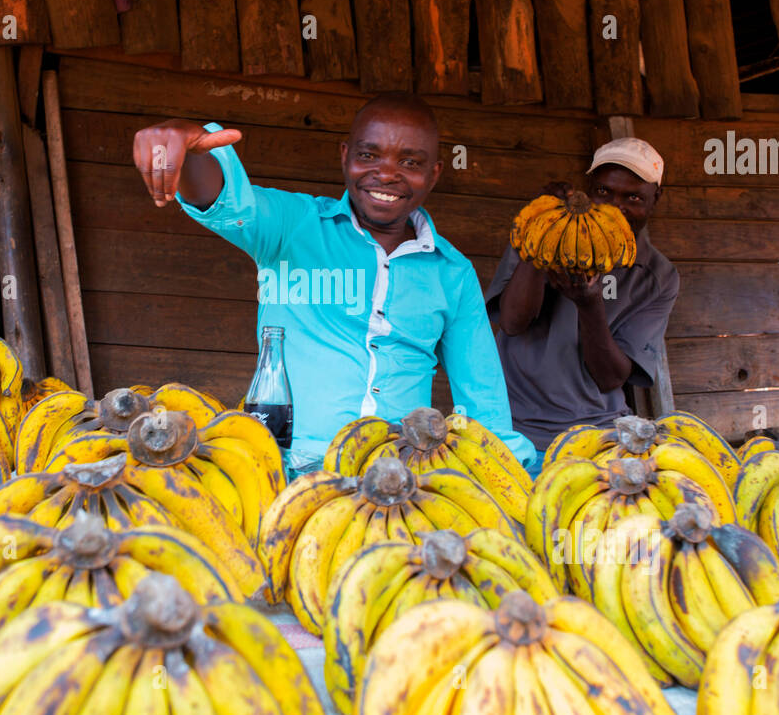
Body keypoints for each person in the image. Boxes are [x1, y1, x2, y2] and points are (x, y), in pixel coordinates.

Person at [131, 94, 536, 472]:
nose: (387, 174)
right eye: (368, 155)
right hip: (287, 468)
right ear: (345, 157)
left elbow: (485, 408)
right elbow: (224, 201)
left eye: (410, 163)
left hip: (402, 478)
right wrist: (184, 143)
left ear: (433, 175)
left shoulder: (453, 273)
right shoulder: (292, 226)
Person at [485, 137, 680, 470]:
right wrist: (545, 235)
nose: (614, 208)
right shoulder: (539, 231)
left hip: (596, 436)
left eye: (632, 197)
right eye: (604, 192)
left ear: (655, 199)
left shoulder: (656, 276)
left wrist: (589, 307)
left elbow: (610, 378)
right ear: (588, 190)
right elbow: (513, 323)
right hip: (515, 431)